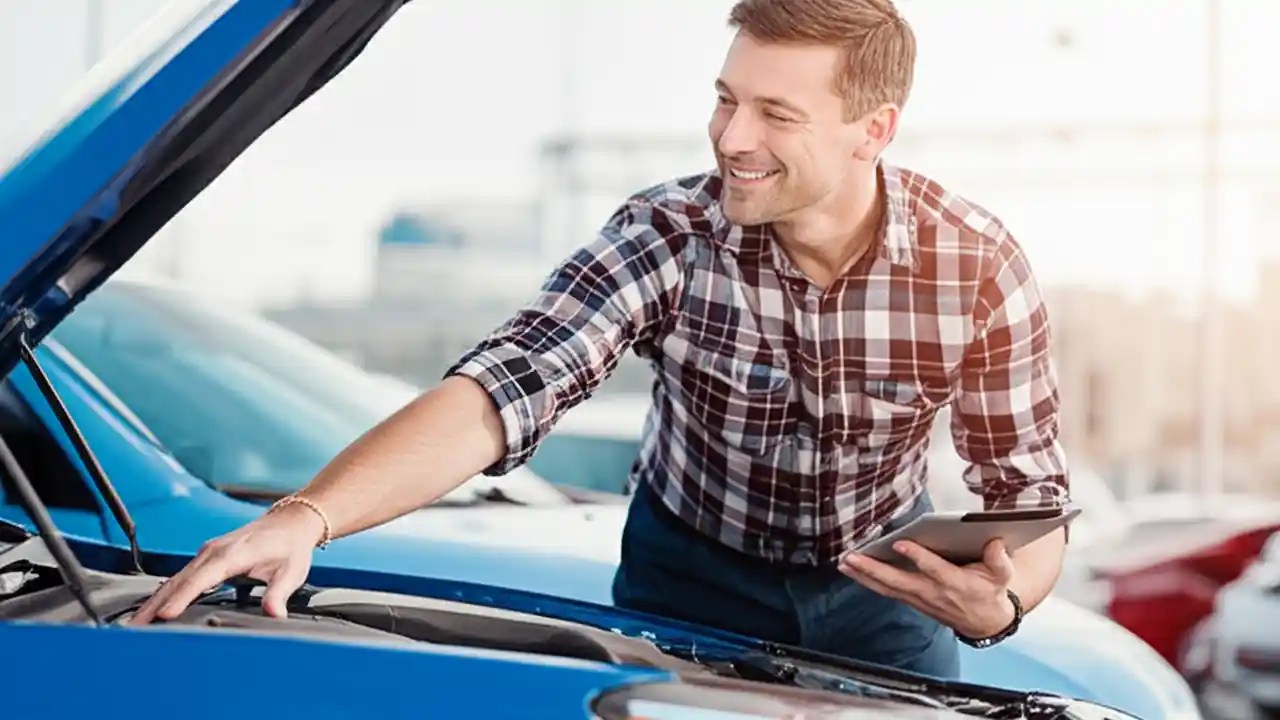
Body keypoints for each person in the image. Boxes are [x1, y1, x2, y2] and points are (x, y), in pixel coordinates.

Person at [132, 0, 1071, 679]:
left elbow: (1029, 496)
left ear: (875, 131)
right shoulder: (669, 233)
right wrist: (308, 516)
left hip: (884, 601)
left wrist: (1006, 603)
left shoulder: (975, 268)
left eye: (776, 113)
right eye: (725, 98)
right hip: (687, 578)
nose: (731, 137)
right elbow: (507, 386)